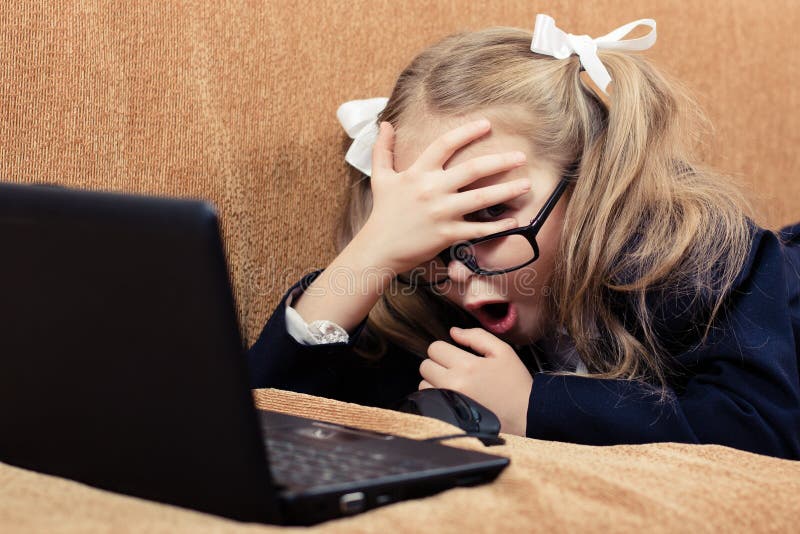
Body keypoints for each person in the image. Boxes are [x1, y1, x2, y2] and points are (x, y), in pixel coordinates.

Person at [247, 14, 800, 459]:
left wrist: (534, 405)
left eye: (490, 214)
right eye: (427, 230)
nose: (458, 272)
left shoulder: (691, 255)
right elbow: (258, 420)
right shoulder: (433, 296)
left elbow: (763, 432)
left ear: (587, 181)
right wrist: (372, 252)